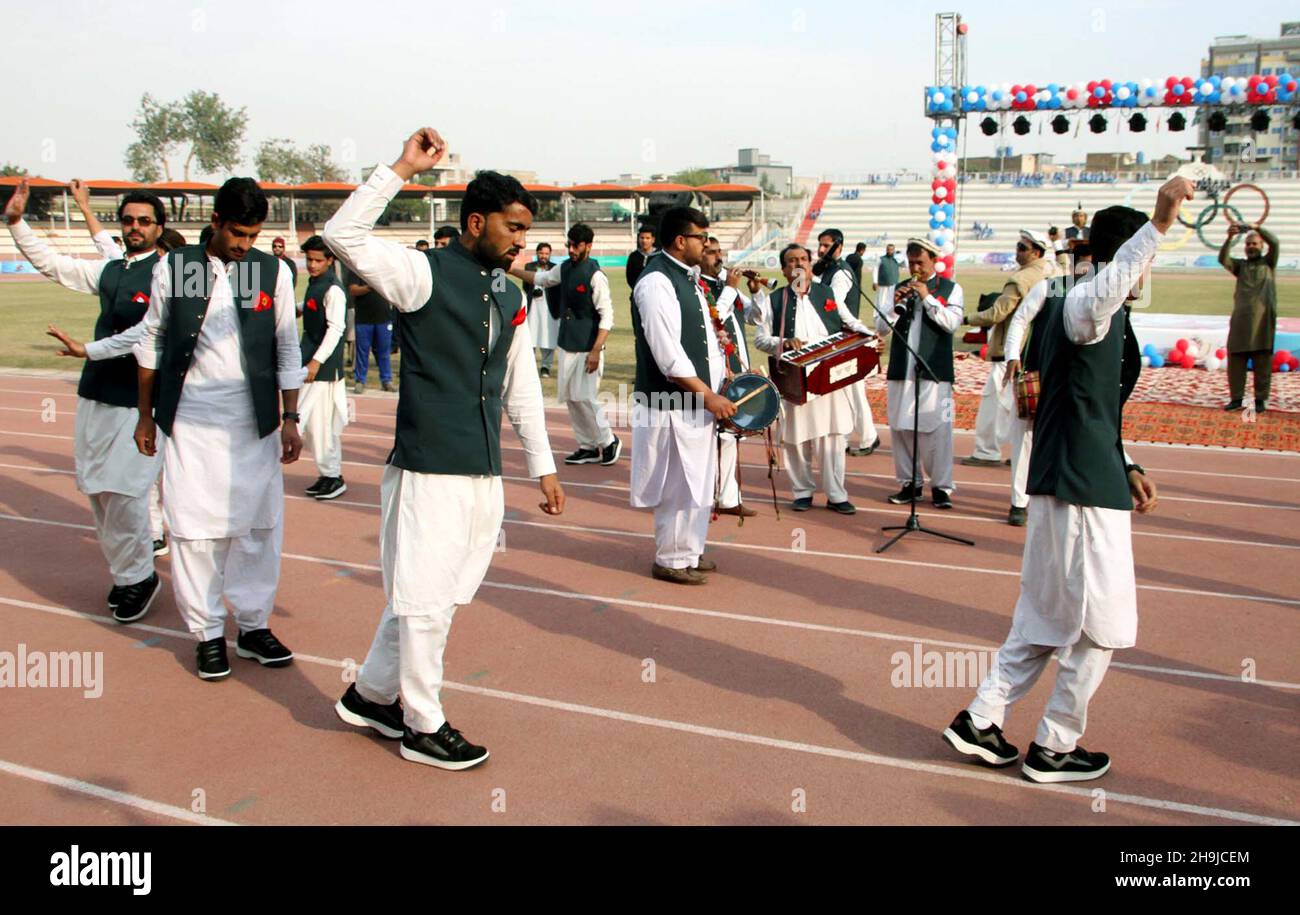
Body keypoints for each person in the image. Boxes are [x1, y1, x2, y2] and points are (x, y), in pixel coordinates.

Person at [323, 127, 563, 770]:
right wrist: (403, 167)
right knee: (426, 601)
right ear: (476, 221)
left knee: (437, 595)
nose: (521, 239)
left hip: (482, 472)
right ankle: (421, 723)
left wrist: (542, 467)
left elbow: (519, 387)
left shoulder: (511, 293)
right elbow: (339, 237)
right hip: (428, 468)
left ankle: (371, 695)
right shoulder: (421, 273)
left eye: (524, 228)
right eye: (512, 227)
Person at [943, 176, 1189, 784]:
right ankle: (1055, 744)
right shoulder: (1085, 304)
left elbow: (1093, 405)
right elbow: (1105, 289)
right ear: (1119, 257)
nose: (1146, 272)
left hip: (1079, 479)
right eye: (1143, 258)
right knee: (1102, 624)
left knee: (1049, 615)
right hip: (1080, 492)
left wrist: (1124, 464)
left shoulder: (1079, 304)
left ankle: (982, 718)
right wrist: (1157, 225)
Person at [133, 177, 303, 681]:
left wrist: (292, 417)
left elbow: (287, 345)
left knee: (258, 527)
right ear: (214, 222)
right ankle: (207, 633)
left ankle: (252, 626)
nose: (244, 245)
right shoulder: (178, 267)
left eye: (252, 235)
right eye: (236, 234)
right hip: (190, 421)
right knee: (194, 529)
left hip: (255, 422)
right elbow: (153, 340)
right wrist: (145, 415)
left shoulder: (269, 270)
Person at [5, 178, 164, 623]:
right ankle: (126, 575)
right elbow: (55, 265)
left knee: (129, 494)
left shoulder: (169, 274)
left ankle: (142, 576)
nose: (135, 227)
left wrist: (88, 350)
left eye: (144, 221)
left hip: (142, 402)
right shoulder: (111, 270)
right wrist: (17, 225)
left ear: (158, 228)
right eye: (129, 220)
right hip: (96, 395)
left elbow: (148, 334)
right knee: (97, 491)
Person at [630, 206, 736, 585]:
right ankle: (671, 558)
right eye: (701, 237)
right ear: (680, 241)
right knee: (678, 483)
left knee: (699, 481)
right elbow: (668, 353)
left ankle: (690, 550)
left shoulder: (689, 279)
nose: (706, 244)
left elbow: (705, 343)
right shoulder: (657, 282)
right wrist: (708, 395)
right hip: (674, 404)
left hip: (697, 404)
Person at [755, 243, 872, 514]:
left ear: (810, 265)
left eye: (803, 259)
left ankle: (836, 494)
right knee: (796, 437)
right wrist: (783, 342)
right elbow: (761, 339)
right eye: (792, 261)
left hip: (828, 376)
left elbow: (850, 322)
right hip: (795, 379)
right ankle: (802, 491)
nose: (798, 264)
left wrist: (870, 337)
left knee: (832, 434)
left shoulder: (826, 293)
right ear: (784, 270)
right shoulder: (774, 300)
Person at [511, 224, 620, 466]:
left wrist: (596, 350)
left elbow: (607, 315)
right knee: (571, 397)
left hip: (588, 346)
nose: (571, 249)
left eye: (576, 245)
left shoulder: (596, 275)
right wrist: (511, 269)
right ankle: (587, 446)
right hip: (567, 343)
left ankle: (609, 440)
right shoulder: (565, 268)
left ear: (588, 247)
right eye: (568, 245)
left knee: (586, 397)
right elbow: (541, 278)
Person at [874, 239, 963, 509]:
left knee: (936, 429)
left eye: (920, 263)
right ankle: (909, 483)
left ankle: (941, 486)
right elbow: (880, 326)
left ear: (933, 261)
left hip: (934, 370)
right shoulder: (899, 287)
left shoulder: (951, 288)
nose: (915, 268)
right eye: (911, 263)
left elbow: (951, 323)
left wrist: (927, 297)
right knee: (901, 427)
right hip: (902, 368)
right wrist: (893, 305)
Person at [961, 229, 1054, 474]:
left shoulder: (1020, 280)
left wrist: (966, 318)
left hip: (1009, 351)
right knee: (1029, 407)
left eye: (1022, 248)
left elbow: (997, 313)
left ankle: (986, 451)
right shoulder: (1053, 272)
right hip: (1038, 349)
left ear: (1035, 251)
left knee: (994, 404)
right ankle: (1023, 453)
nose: (1017, 251)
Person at [700, 235, 760, 517]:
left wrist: (756, 292)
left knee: (732, 434)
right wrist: (731, 290)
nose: (718, 257)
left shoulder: (727, 283)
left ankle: (728, 496)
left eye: (719, 251)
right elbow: (715, 319)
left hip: (737, 364)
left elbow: (756, 318)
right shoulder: (699, 286)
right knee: (716, 437)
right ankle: (711, 496)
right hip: (716, 370)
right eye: (711, 253)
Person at [814, 228, 879, 457]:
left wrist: (858, 327)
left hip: (846, 337)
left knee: (853, 391)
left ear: (838, 247)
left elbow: (834, 304)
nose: (821, 249)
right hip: (837, 338)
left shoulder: (841, 273)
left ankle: (868, 437)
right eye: (820, 245)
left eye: (826, 245)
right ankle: (843, 439)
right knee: (839, 390)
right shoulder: (826, 269)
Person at [297, 235, 349, 501]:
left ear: (330, 260)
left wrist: (317, 361)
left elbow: (336, 329)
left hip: (324, 370)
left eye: (318, 260)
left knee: (319, 424)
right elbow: (310, 309)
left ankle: (333, 476)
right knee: (311, 426)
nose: (313, 265)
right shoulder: (315, 284)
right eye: (309, 260)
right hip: (308, 362)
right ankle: (328, 473)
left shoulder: (334, 290)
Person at [1219, 222, 1279, 413]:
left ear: (1262, 246)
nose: (1251, 247)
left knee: (1262, 361)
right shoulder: (1240, 266)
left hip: (1262, 322)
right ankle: (1236, 398)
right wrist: (1229, 238)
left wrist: (1256, 227)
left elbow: (1275, 243)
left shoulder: (1268, 263)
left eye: (1255, 244)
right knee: (1236, 360)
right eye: (1248, 244)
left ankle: (1260, 399)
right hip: (1240, 321)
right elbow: (1223, 259)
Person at [345, 259, 395, 394]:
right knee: (362, 352)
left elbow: (393, 288)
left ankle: (387, 380)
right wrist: (370, 287)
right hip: (363, 319)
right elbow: (353, 289)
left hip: (383, 318)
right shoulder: (356, 270)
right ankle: (360, 380)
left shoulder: (385, 271)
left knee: (384, 352)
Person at [523, 241, 561, 376]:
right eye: (541, 253)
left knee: (548, 337)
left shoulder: (555, 268)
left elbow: (557, 288)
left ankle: (546, 366)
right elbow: (526, 286)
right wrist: (532, 293)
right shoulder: (529, 266)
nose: (543, 256)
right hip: (533, 307)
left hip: (549, 308)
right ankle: (530, 366)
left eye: (546, 253)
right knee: (530, 337)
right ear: (537, 253)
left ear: (550, 254)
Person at [625, 226, 657, 297]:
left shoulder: (659, 256)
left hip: (655, 296)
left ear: (653, 240)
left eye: (647, 238)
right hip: (637, 295)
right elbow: (629, 277)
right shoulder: (633, 256)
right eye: (642, 238)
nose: (644, 240)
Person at [874, 242, 900, 315]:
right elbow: (875, 269)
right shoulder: (881, 259)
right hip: (883, 285)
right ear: (886, 250)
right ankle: (879, 316)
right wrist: (875, 281)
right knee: (881, 302)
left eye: (891, 250)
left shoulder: (896, 260)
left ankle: (888, 318)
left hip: (893, 285)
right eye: (888, 249)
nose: (890, 251)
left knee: (891, 302)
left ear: (894, 250)